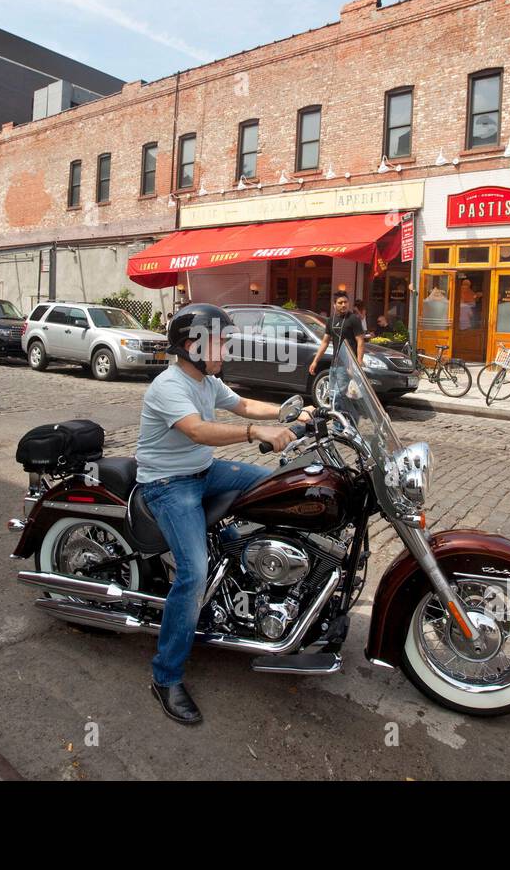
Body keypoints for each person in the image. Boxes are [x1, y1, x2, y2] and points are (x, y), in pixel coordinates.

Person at [136, 303, 309, 724]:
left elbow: (245, 405)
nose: (226, 348)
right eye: (220, 341)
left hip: (203, 471)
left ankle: (248, 558)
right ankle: (165, 676)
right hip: (168, 484)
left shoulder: (207, 381)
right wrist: (256, 433)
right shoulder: (168, 386)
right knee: (193, 574)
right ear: (193, 345)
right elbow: (198, 430)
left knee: (274, 489)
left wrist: (295, 413)